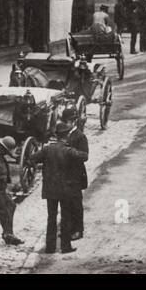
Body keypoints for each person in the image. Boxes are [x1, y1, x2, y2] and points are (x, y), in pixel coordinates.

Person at [42, 122, 83, 254]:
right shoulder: (68, 150)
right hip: (65, 190)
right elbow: (83, 156)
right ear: (66, 136)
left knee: (51, 217)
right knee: (65, 217)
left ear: (56, 135)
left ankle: (50, 247)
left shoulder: (47, 149)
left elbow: (32, 158)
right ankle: (65, 247)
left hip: (50, 190)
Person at [60, 105, 90, 240]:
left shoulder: (80, 136)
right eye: (64, 122)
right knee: (65, 203)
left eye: (67, 122)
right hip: (64, 174)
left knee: (76, 204)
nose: (65, 124)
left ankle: (78, 230)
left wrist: (70, 152)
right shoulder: (63, 134)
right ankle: (68, 228)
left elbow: (85, 155)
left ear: (73, 122)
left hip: (76, 175)